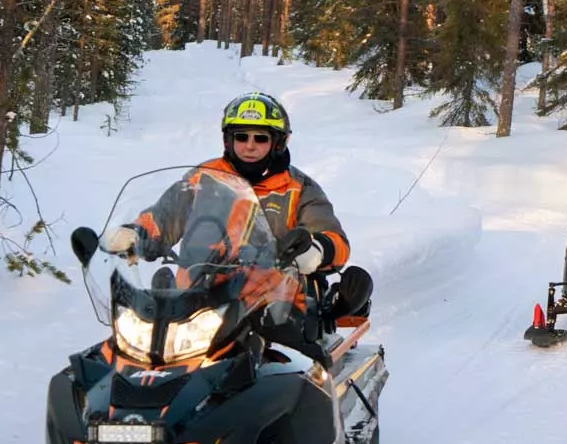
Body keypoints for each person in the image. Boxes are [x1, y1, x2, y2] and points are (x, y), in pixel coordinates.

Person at [102, 92, 372, 334]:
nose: (249, 146)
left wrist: (316, 249)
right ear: (228, 140)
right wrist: (136, 233)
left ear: (278, 142)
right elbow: (164, 217)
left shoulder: (299, 188)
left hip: (274, 306)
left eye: (260, 138)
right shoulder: (204, 177)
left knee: (285, 369)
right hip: (197, 300)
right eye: (241, 137)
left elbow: (333, 237)